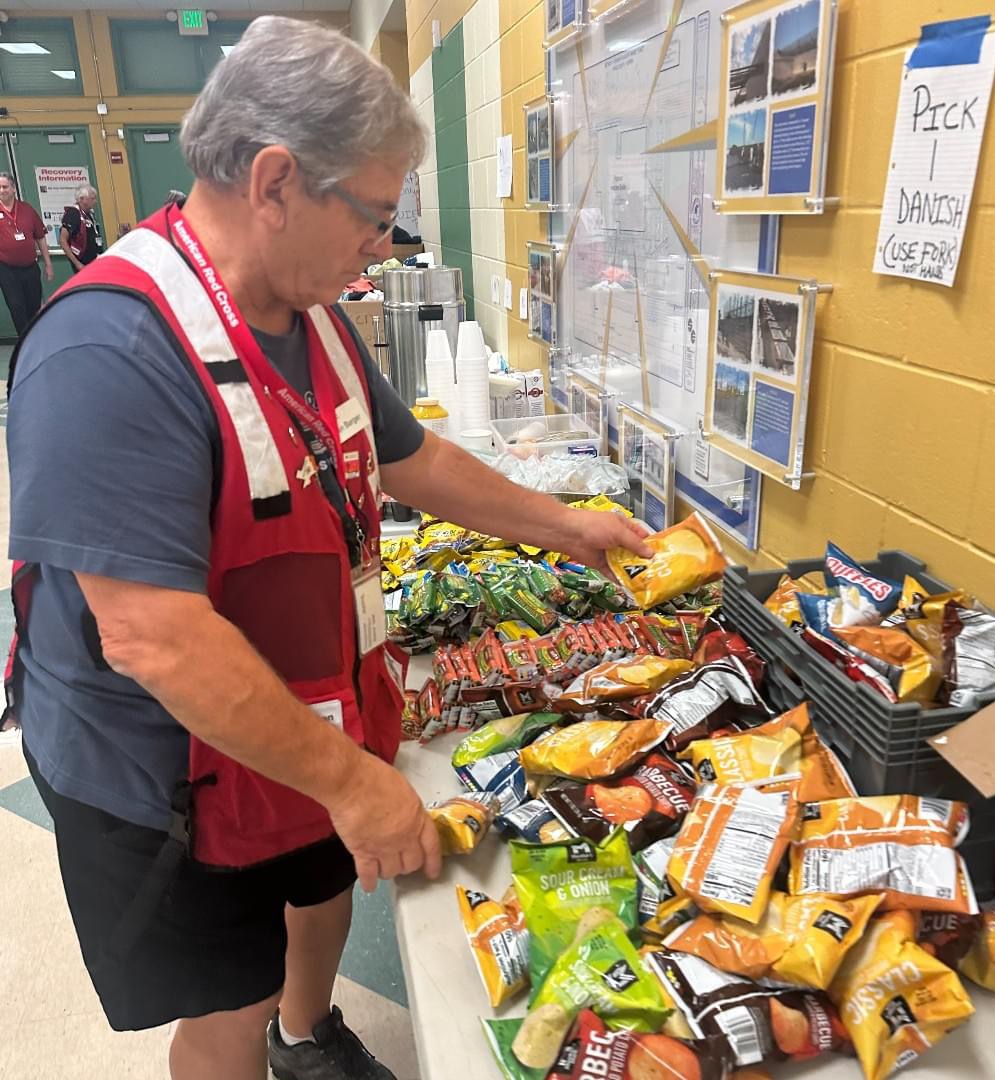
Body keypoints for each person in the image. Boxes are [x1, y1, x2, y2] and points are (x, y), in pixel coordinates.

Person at [5, 16, 651, 1080]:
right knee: (226, 996)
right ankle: (260, 1031)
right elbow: (154, 639)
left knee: (321, 885)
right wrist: (351, 784)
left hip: (308, 701)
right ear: (274, 184)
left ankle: (308, 1034)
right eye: (377, 216)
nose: (385, 248)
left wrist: (567, 526)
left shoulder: (311, 315)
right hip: (159, 770)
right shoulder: (107, 350)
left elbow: (415, 458)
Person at [0, 171, 52, 338]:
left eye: (5, 187)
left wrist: (48, 264)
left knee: (34, 305)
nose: (1, 190)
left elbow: (41, 238)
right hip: (6, 269)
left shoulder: (27, 209)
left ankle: (36, 338)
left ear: (13, 188)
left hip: (30, 267)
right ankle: (24, 341)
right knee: (16, 306)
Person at [58, 183, 101, 272]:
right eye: (92, 199)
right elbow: (63, 240)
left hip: (94, 261)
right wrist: (77, 264)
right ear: (82, 199)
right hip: (82, 262)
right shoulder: (73, 214)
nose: (95, 201)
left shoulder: (89, 214)